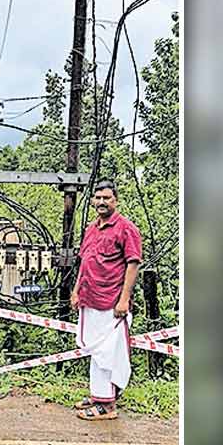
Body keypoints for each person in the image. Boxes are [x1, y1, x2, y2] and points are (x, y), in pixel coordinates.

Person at [70, 179, 143, 421]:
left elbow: (133, 264)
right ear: (92, 200)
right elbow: (85, 261)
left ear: (116, 200)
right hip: (90, 298)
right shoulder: (91, 229)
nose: (102, 202)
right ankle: (98, 396)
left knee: (109, 353)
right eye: (98, 197)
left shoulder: (126, 229)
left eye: (107, 198)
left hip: (112, 303)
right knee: (96, 351)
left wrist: (124, 300)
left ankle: (107, 406)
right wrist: (76, 290)